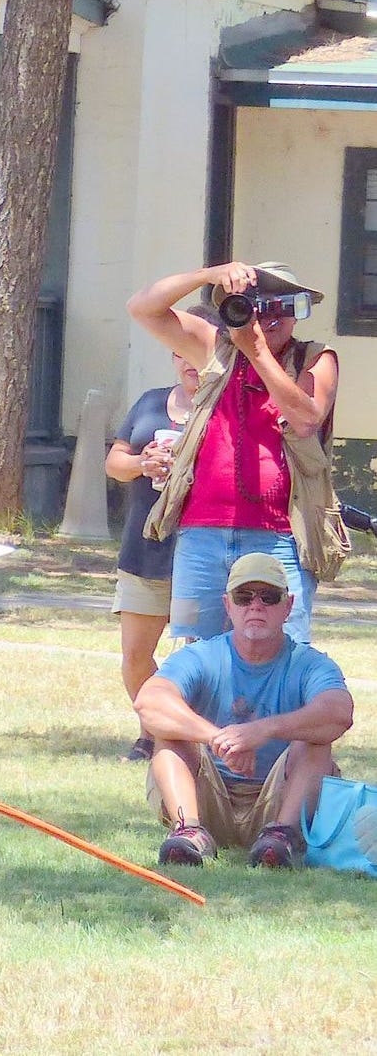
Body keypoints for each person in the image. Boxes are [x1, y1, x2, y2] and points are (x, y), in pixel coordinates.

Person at [126, 261, 345, 644]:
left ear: (299, 312)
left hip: (280, 536)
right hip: (202, 535)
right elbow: (142, 308)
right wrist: (208, 276)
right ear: (234, 306)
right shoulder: (215, 348)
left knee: (281, 655)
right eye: (258, 304)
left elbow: (306, 418)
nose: (269, 317)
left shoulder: (314, 358)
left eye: (284, 306)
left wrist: (256, 350)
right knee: (196, 654)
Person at [135, 553, 354, 867]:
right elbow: (149, 703)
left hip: (279, 798)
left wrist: (261, 731)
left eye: (268, 597)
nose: (256, 606)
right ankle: (188, 831)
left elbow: (337, 714)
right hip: (208, 798)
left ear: (288, 606)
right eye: (244, 596)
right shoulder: (202, 656)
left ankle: (282, 836)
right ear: (227, 605)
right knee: (170, 734)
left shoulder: (310, 664)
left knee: (315, 739)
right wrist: (221, 739)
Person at [105, 337, 203, 762]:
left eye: (197, 354)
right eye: (181, 353)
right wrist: (143, 464)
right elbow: (115, 464)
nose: (189, 363)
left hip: (204, 548)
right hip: (145, 547)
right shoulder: (150, 402)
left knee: (201, 656)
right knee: (135, 656)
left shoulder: (224, 407)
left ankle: (194, 735)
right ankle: (153, 730)